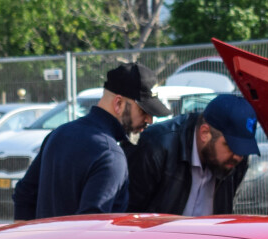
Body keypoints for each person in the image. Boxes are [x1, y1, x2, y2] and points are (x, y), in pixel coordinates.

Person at [13, 62, 170, 221]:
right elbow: (91, 227)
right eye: (143, 111)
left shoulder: (59, 134)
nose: (149, 119)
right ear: (118, 104)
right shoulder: (110, 155)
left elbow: (24, 195)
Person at [127, 93, 259, 216]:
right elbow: (128, 217)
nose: (238, 156)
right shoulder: (156, 146)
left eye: (244, 149)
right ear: (204, 133)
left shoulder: (235, 161)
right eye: (231, 146)